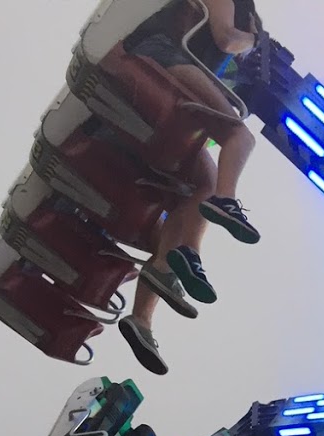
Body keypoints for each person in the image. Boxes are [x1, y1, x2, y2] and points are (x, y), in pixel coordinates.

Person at [118, 0, 262, 375]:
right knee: (239, 135)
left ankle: (143, 317)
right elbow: (226, 37)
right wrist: (250, 40)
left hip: (163, 69)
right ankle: (224, 204)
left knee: (196, 188)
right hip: (161, 59)